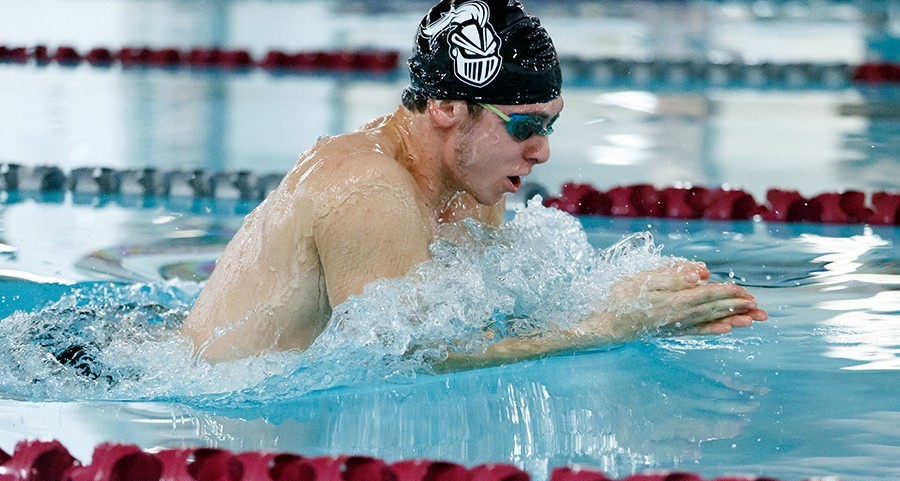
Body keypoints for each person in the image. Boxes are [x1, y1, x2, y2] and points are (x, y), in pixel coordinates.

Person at [182, 0, 767, 367]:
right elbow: (402, 359)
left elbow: (473, 327)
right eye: (524, 127)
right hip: (216, 418)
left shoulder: (470, 185)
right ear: (445, 106)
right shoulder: (367, 190)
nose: (542, 151)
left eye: (550, 124)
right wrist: (605, 327)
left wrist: (632, 298)